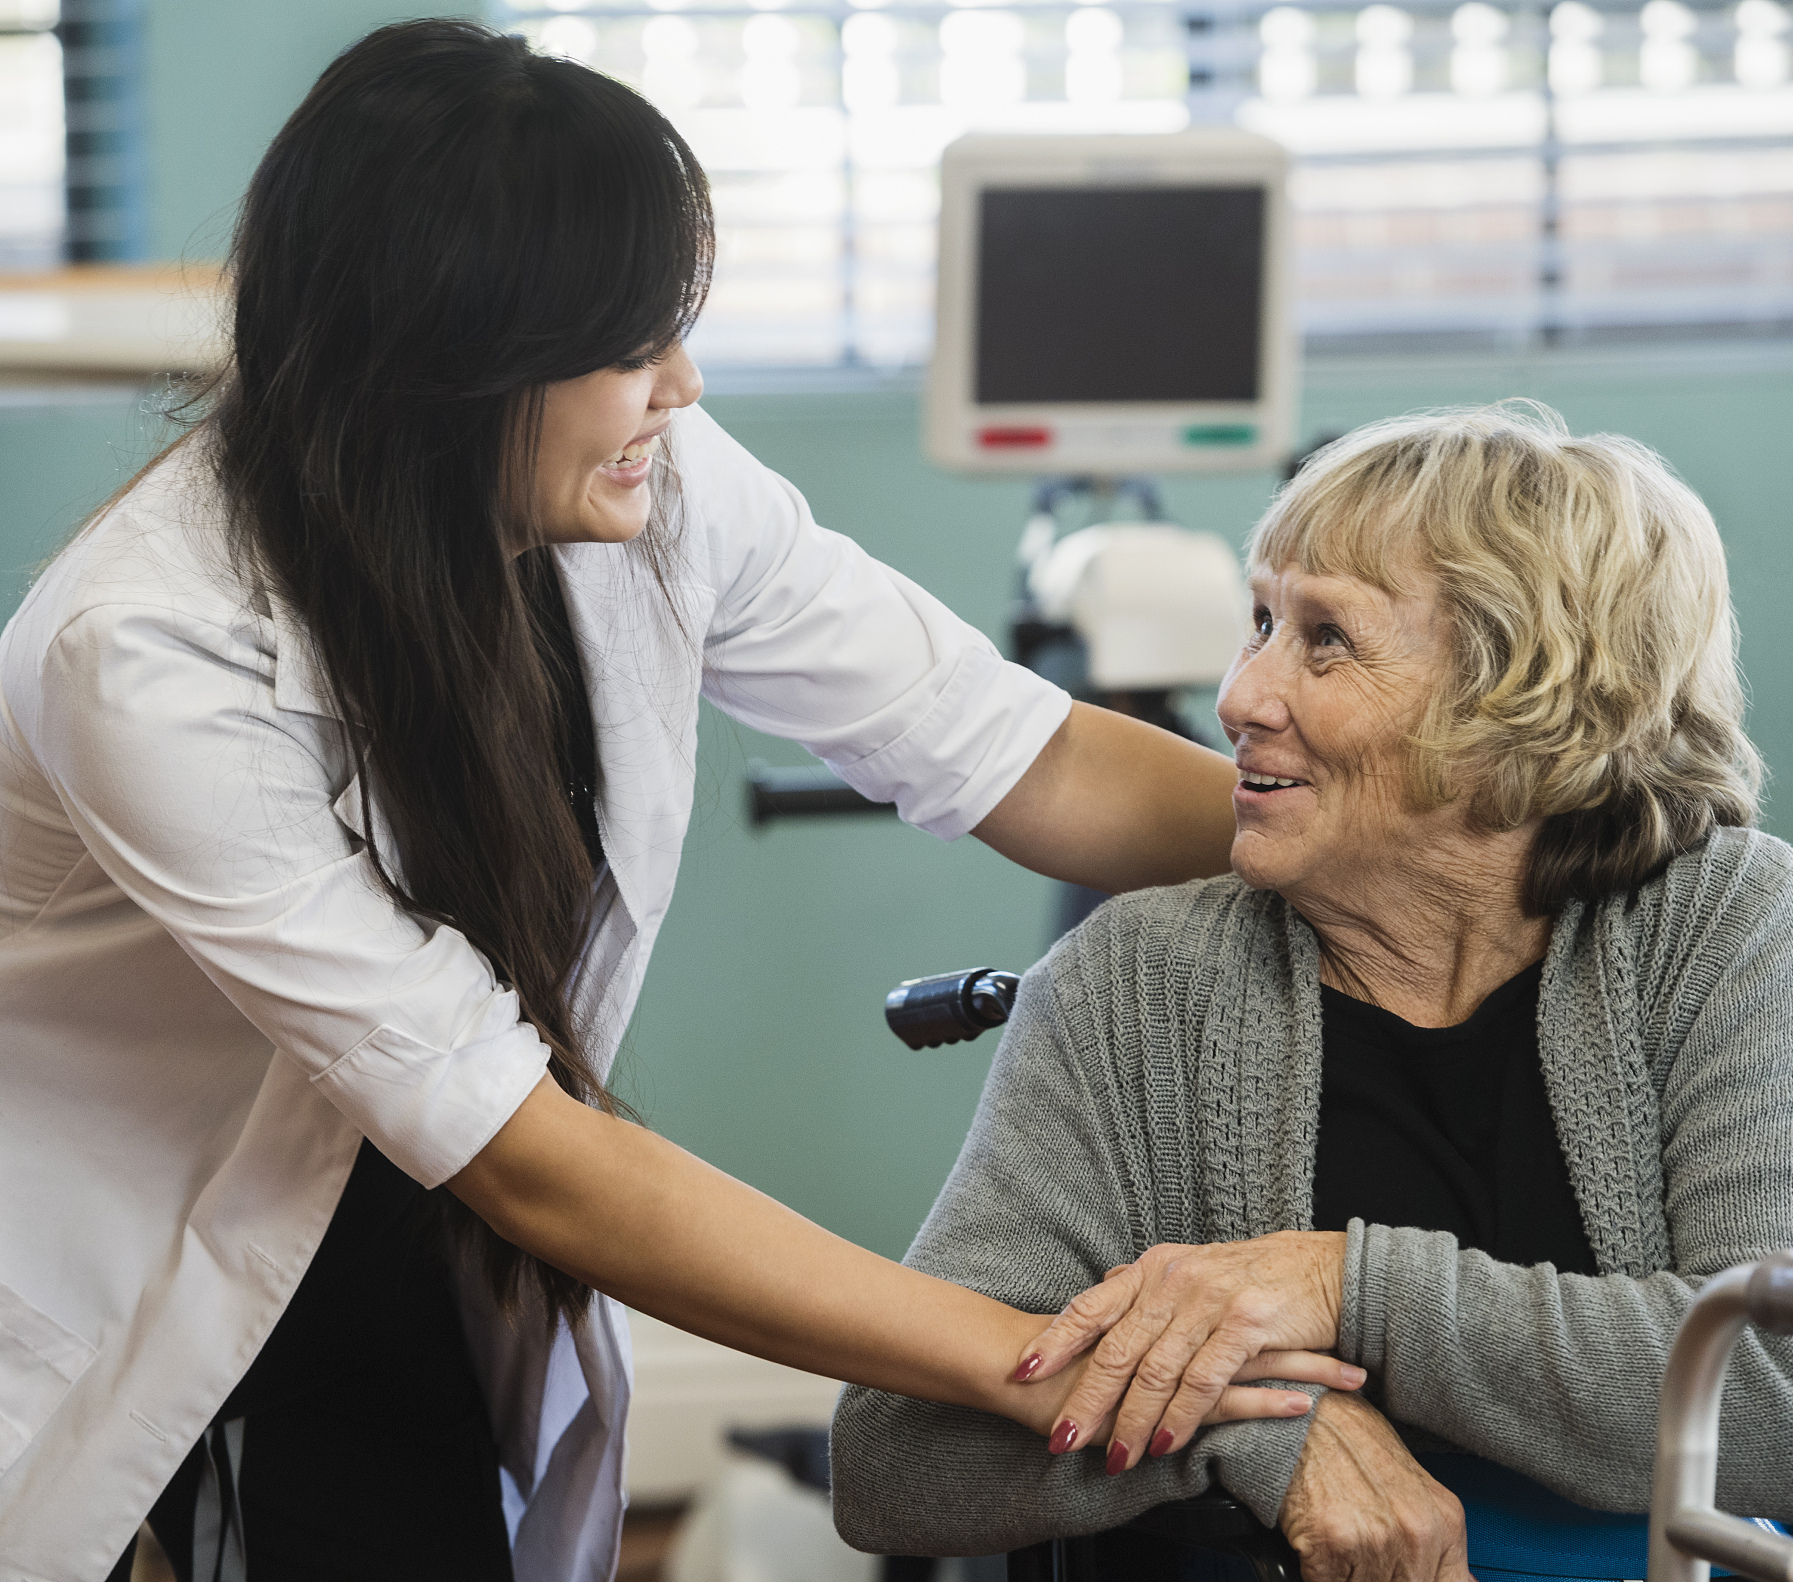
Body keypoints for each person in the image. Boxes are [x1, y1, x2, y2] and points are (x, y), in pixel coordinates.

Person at [0, 23, 1353, 1582]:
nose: (683, 386)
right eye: (633, 345)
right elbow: (532, 1150)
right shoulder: (150, 652)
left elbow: (1023, 751)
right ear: (452, 361)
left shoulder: (660, 484)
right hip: (120, 1278)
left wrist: (1397, 854)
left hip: (393, 1246)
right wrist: (1036, 1360)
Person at [830, 403, 1793, 1579]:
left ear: (1521, 692)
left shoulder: (1727, 924)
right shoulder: (1134, 986)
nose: (1239, 695)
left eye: (1324, 639)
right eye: (1260, 621)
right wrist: (1261, 1425)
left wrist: (1341, 1286)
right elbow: (899, 1457)